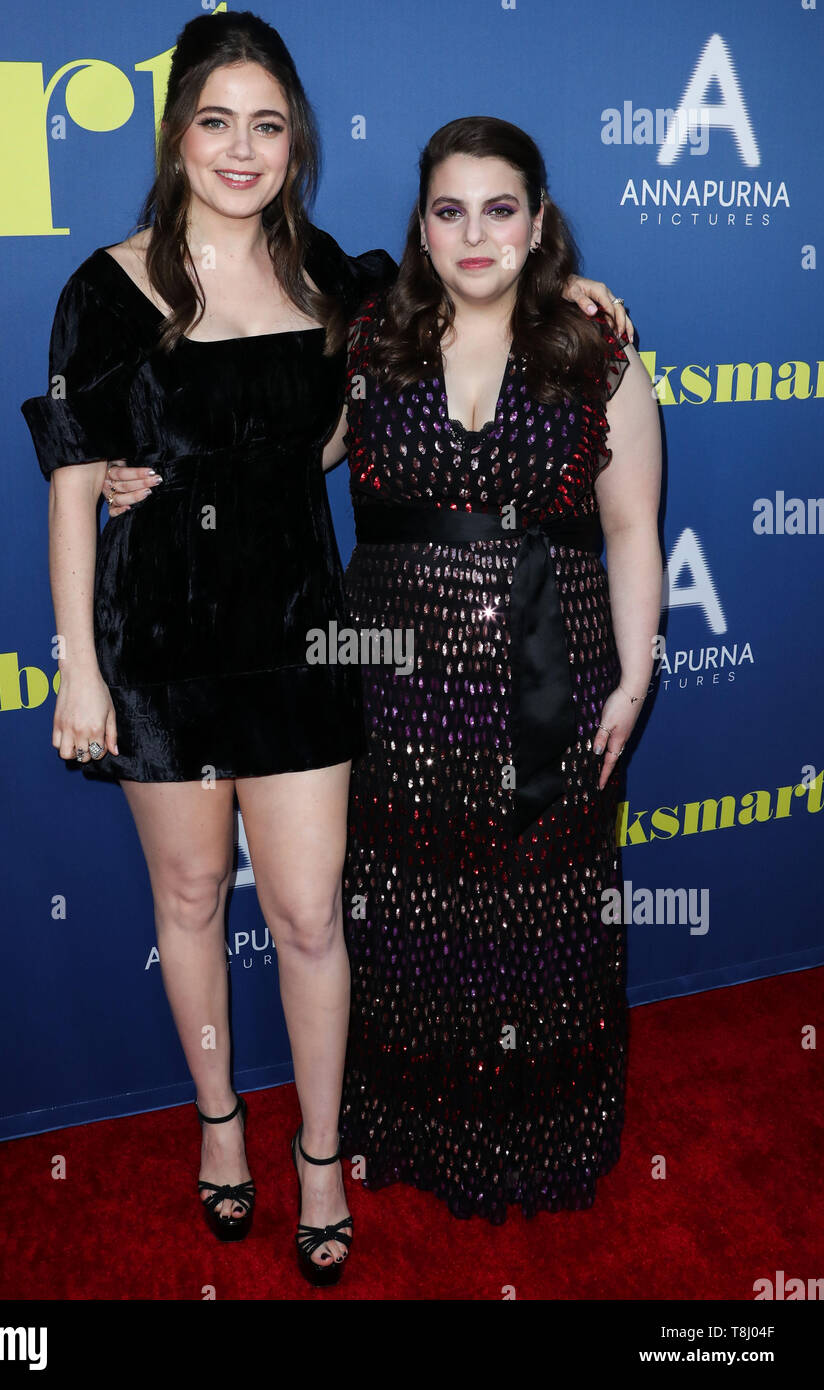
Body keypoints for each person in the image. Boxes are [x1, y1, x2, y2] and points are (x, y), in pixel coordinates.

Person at [76, 16, 630, 1281]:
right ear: (175, 131)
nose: (242, 147)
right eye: (216, 120)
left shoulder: (339, 278)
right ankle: (231, 1131)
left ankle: (337, 1153)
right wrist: (132, 481)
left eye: (268, 124)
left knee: (332, 910)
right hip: (248, 651)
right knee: (228, 902)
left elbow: (608, 498)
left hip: (390, 655)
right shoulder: (191, 296)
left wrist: (586, 297)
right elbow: (212, 451)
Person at [330, 117, 662, 1223]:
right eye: (448, 209)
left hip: (551, 677)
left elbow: (630, 534)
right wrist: (139, 469)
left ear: (538, 220)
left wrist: (630, 683)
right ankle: (406, 1123)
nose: (475, 232)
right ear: (421, 228)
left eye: (500, 207)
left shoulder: (598, 351)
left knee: (541, 909)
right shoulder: (367, 342)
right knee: (407, 910)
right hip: (393, 689)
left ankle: (539, 1131)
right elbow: (273, 453)